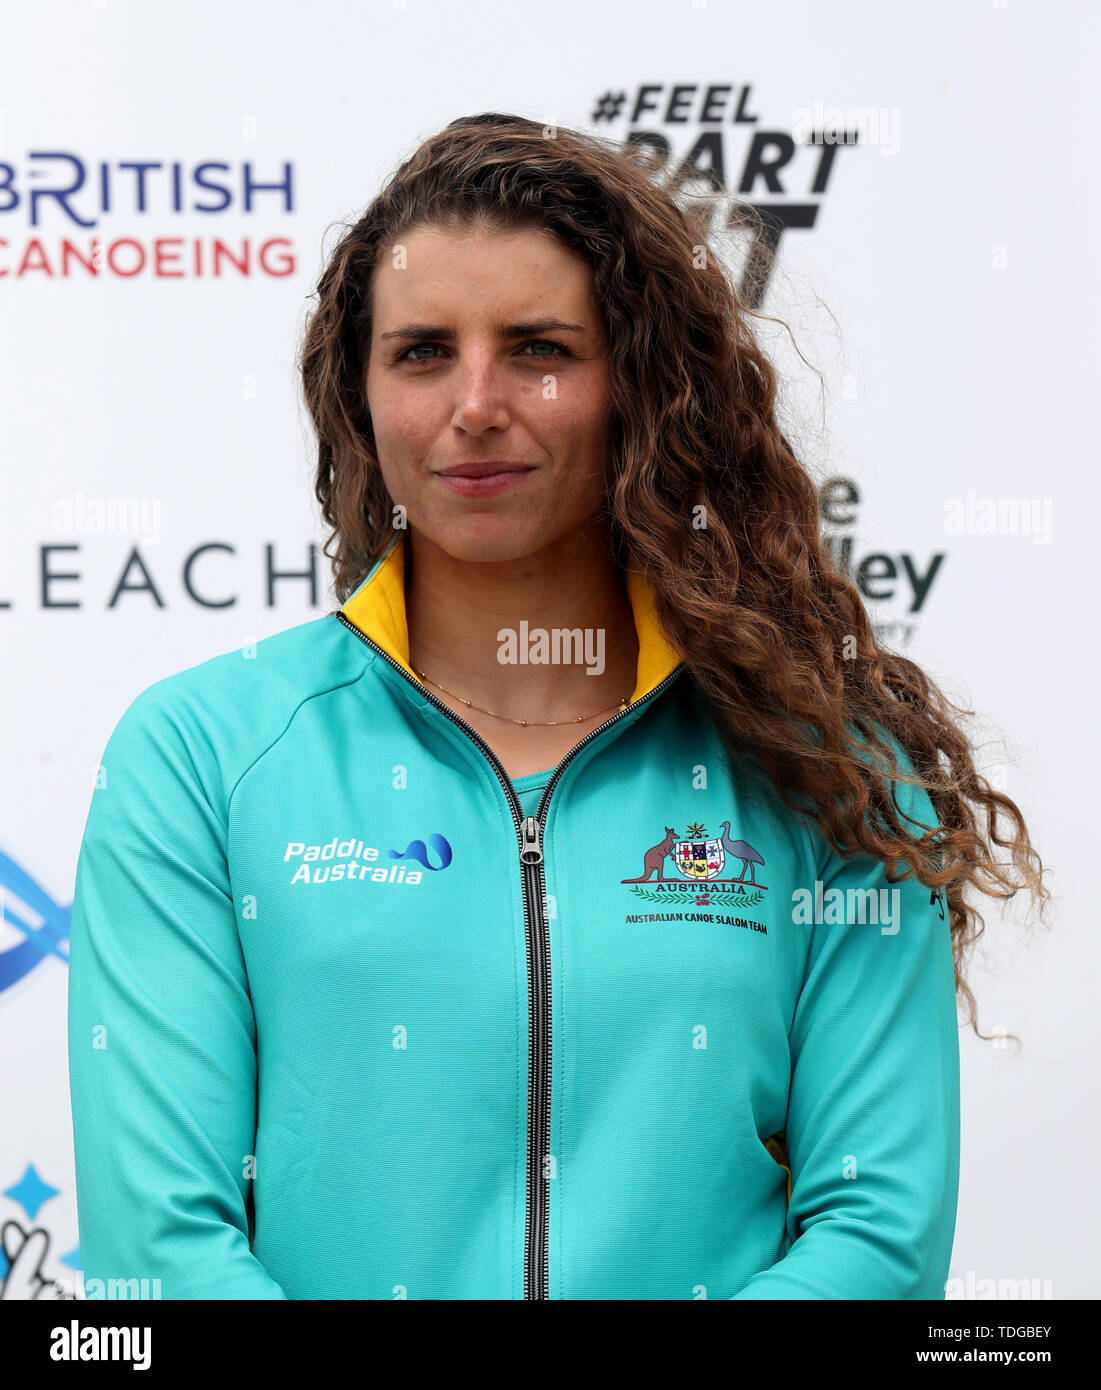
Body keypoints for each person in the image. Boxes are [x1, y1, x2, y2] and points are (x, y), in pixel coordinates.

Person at [67, 113, 1048, 1300]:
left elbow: (877, 1236)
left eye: (538, 348)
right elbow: (159, 1252)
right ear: (359, 393)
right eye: (422, 351)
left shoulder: (828, 767)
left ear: (643, 381)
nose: (476, 404)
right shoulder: (199, 760)